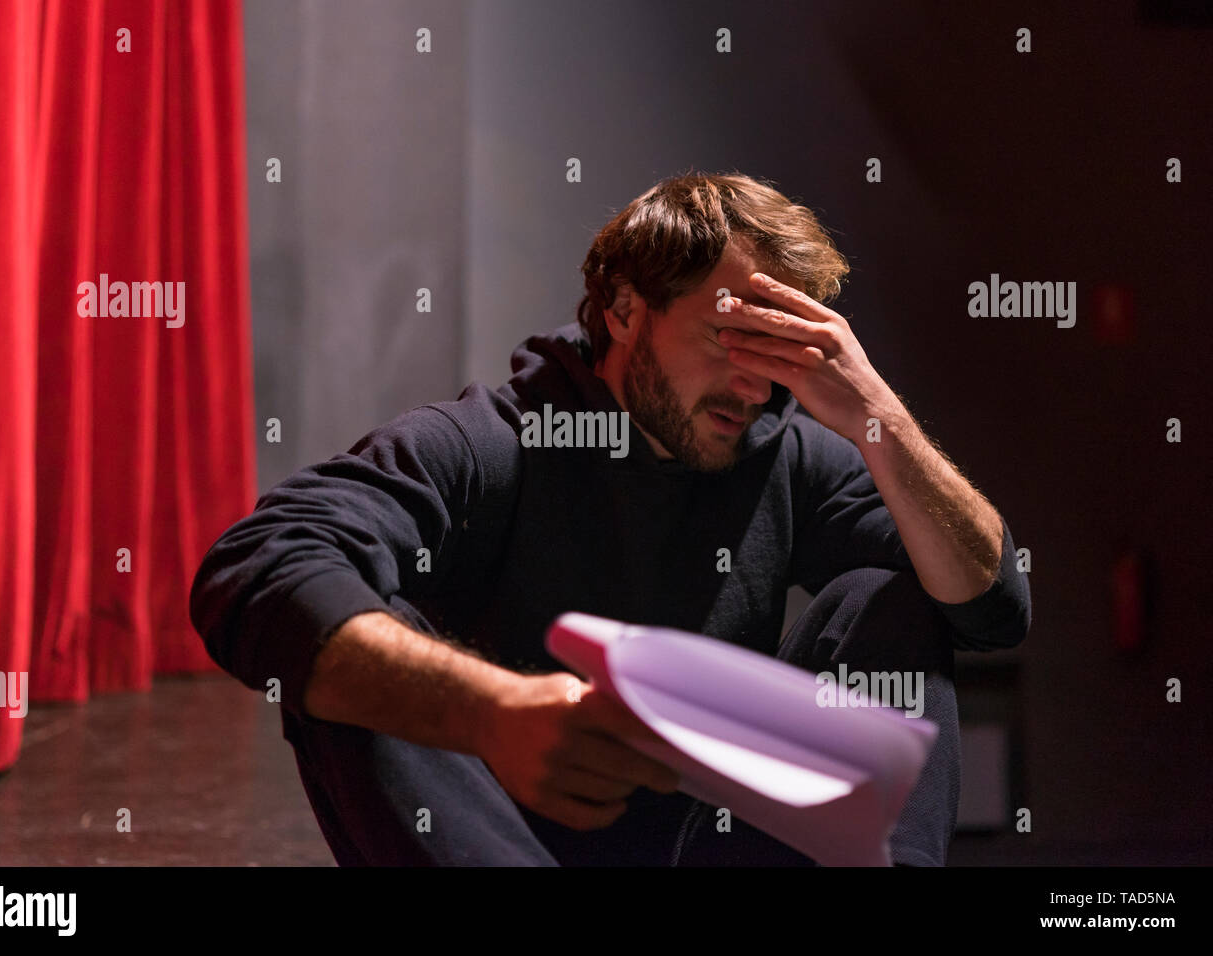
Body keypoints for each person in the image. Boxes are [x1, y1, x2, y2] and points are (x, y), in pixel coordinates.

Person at [189, 172, 1031, 866]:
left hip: (713, 847)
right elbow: (258, 565)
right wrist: (495, 714)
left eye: (782, 354)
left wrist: (877, 414)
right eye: (732, 340)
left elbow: (993, 608)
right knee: (360, 650)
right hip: (511, 844)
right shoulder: (491, 444)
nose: (757, 386)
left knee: (895, 592)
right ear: (626, 311)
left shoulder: (786, 457)